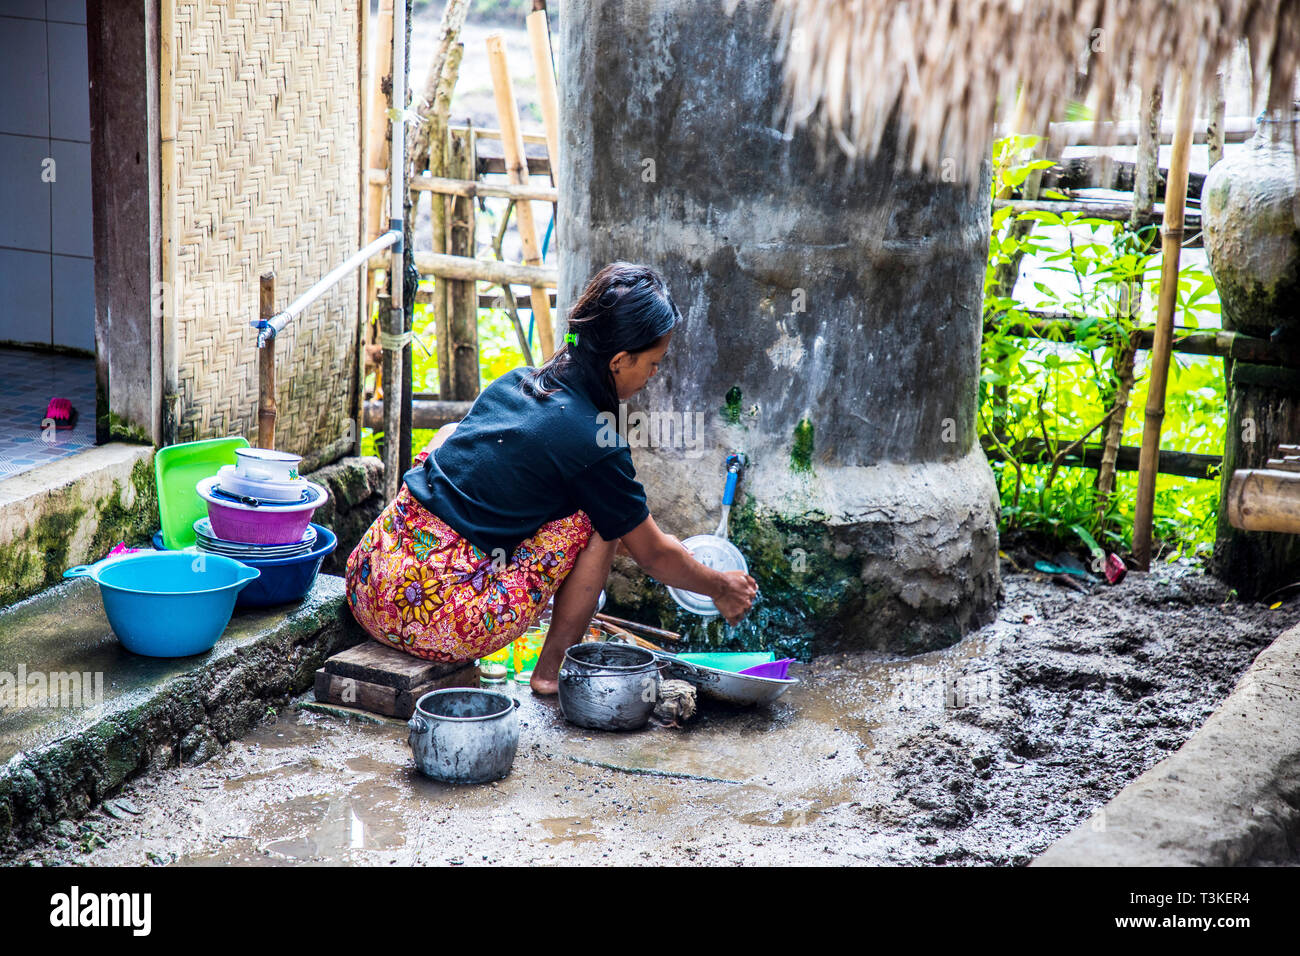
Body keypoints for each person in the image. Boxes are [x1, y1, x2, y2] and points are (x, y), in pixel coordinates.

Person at [345, 261, 757, 694]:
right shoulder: (596, 445)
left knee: (449, 435)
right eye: (653, 364)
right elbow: (653, 554)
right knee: (602, 520)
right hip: (433, 622)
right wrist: (720, 586)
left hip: (368, 585)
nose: (654, 376)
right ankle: (550, 673)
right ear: (618, 361)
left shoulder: (514, 383)